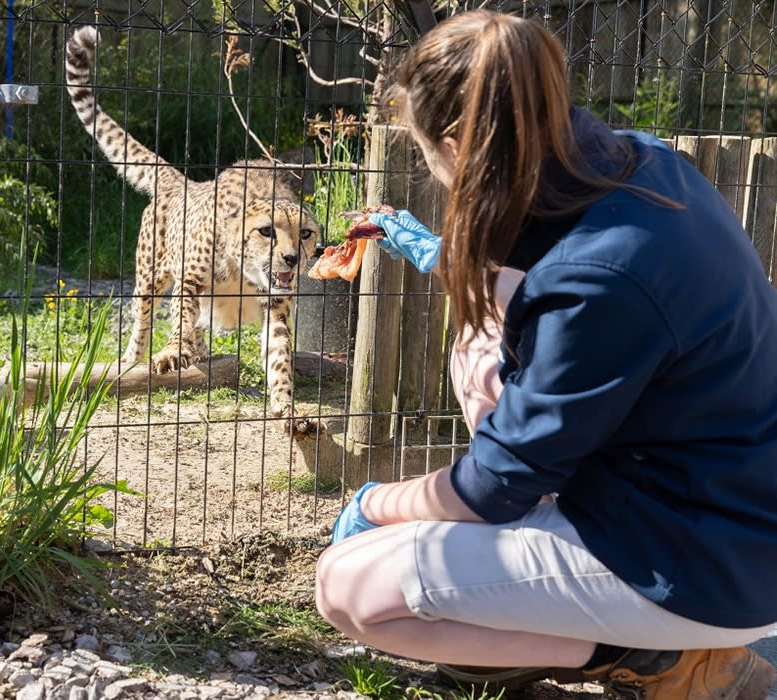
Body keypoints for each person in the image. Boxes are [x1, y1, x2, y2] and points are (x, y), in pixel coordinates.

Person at [316, 9, 777, 700]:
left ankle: (668, 658)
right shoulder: (639, 162)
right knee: (475, 346)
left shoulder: (599, 277)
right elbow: (513, 290)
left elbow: (494, 485)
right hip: (715, 499)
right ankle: (555, 625)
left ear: (454, 145)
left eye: (425, 155)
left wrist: (379, 502)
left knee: (349, 585)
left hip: (703, 557)